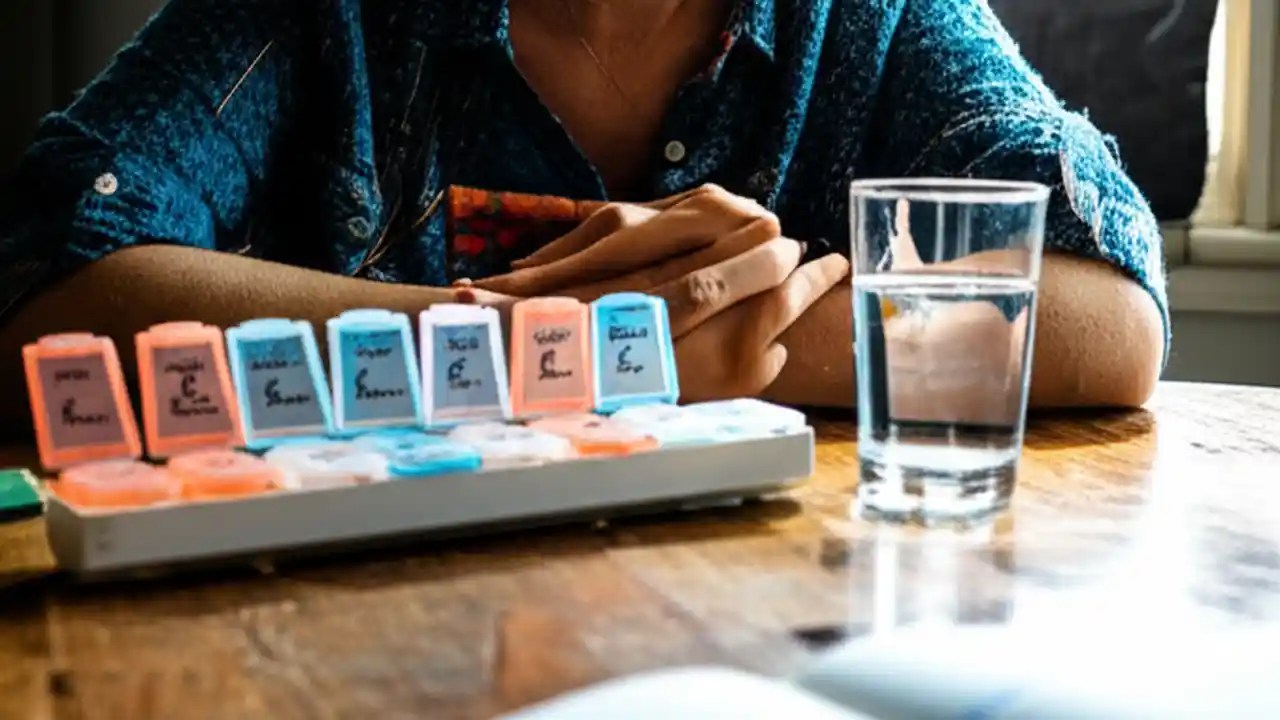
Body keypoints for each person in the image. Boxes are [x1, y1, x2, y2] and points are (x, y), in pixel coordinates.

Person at [0, 0, 1166, 432]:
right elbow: (42, 278)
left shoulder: (873, 17)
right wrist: (544, 349)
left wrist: (727, 344)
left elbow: (1106, 313)